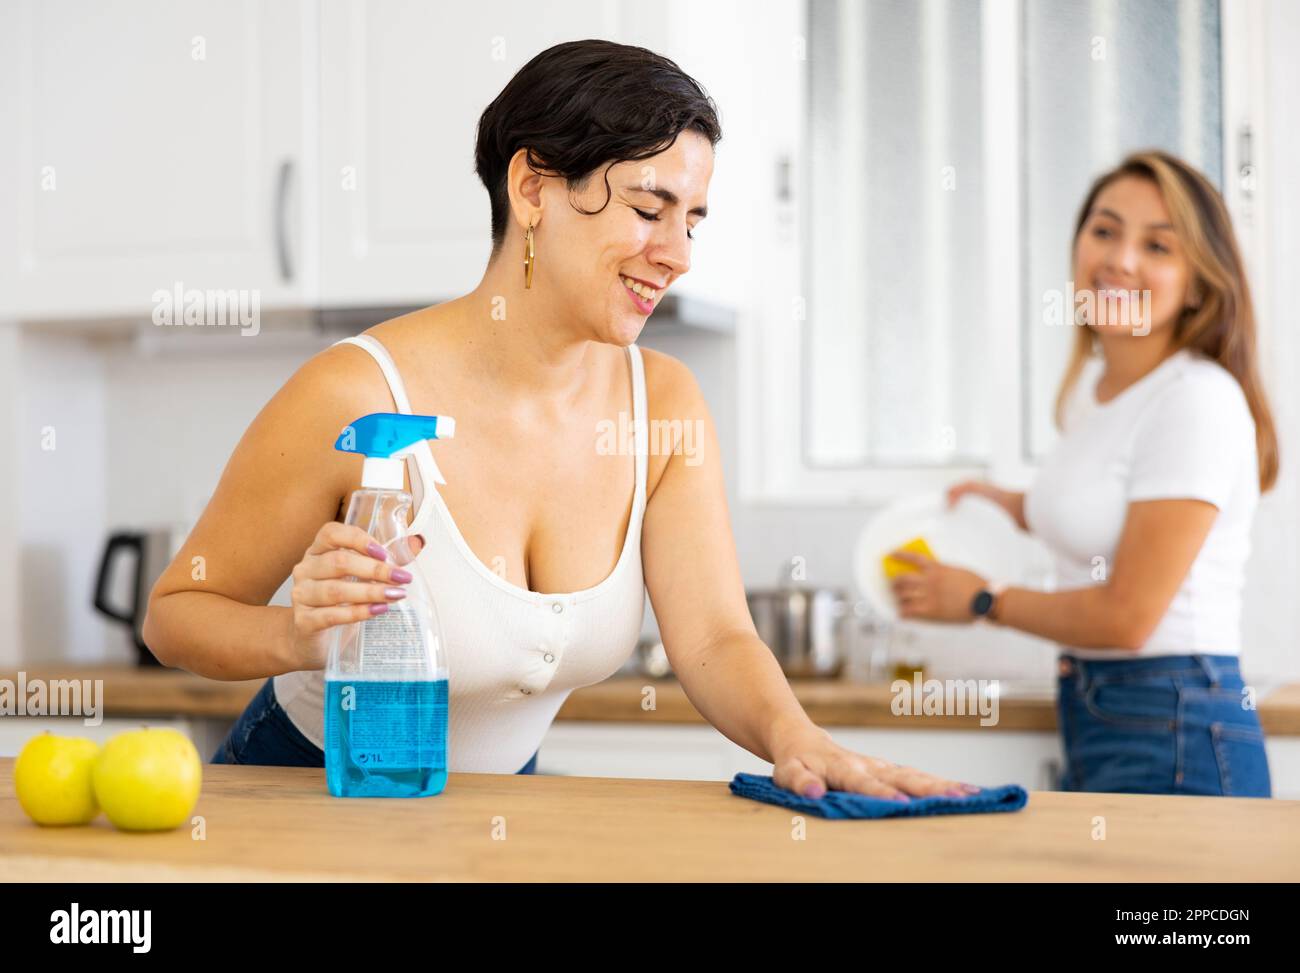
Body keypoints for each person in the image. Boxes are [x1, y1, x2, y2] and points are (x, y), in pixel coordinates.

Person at [145, 39, 974, 802]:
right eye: (650, 210)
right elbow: (176, 614)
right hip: (302, 797)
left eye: (693, 220)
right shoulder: (357, 394)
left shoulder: (665, 405)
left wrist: (795, 737)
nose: (679, 253)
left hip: (499, 811)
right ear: (533, 187)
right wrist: (299, 634)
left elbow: (716, 638)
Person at [890, 150, 1276, 797]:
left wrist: (983, 599)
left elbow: (1128, 616)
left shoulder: (1194, 399)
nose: (1121, 259)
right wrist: (1009, 501)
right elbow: (1102, 507)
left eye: (1158, 245)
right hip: (1104, 710)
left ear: (1200, 281)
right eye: (1104, 230)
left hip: (1175, 717)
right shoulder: (1094, 391)